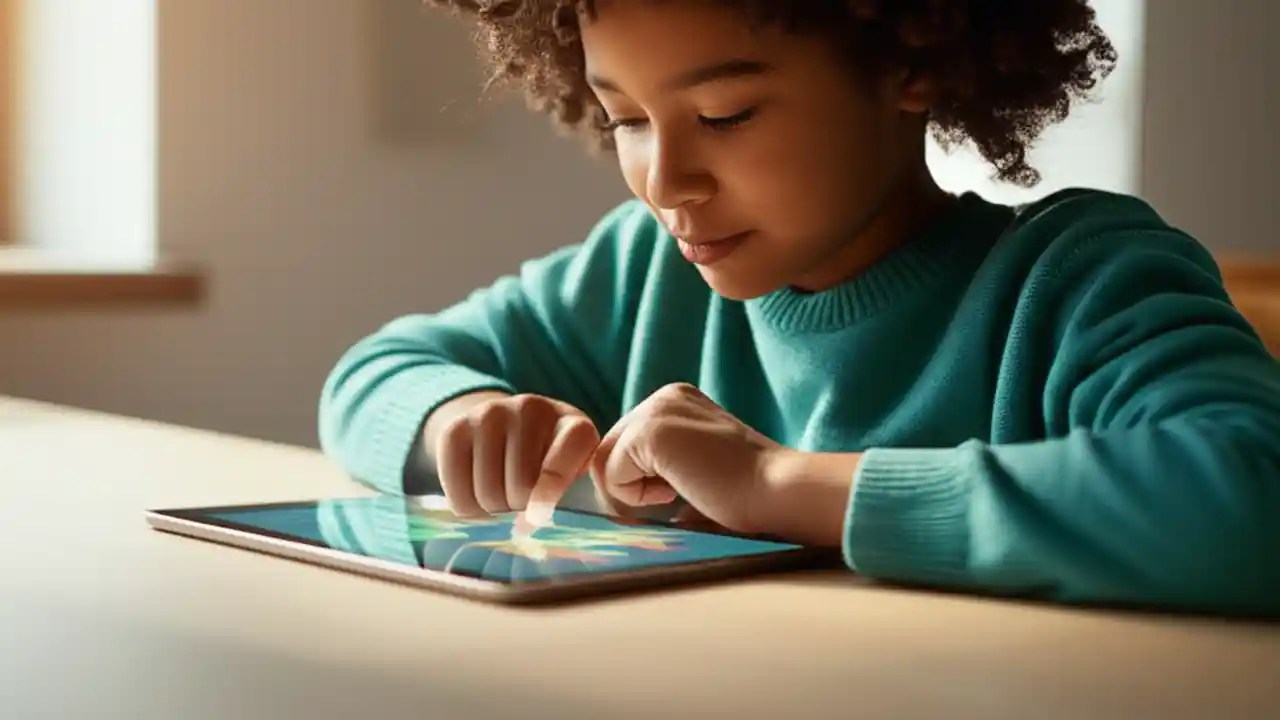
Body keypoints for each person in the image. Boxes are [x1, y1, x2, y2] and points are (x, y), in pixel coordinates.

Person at [319, 0, 1280, 615]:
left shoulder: (1075, 279)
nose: (667, 181)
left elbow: (1249, 497)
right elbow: (370, 376)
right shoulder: (642, 273)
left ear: (916, 61)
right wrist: (465, 420)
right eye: (627, 120)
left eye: (727, 115)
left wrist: (783, 485)